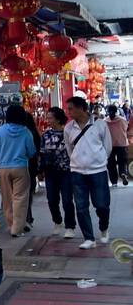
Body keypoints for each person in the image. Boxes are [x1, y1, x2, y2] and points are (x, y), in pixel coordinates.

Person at [65, 96, 114, 250]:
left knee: (101, 204)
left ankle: (104, 228)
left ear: (81, 108)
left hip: (98, 170)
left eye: (71, 108)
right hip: (77, 171)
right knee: (81, 206)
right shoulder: (68, 128)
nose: (69, 112)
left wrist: (99, 160)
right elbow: (69, 149)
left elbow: (108, 146)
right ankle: (89, 238)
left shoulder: (100, 124)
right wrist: (77, 161)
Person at [0, 105, 38, 237]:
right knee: (20, 198)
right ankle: (17, 228)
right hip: (21, 167)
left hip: (3, 168)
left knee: (7, 198)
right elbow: (32, 151)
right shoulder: (26, 132)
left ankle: (11, 225)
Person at [39, 107, 76, 238]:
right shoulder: (46, 135)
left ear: (58, 118)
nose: (48, 120)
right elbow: (42, 153)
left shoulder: (69, 133)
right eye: (47, 117)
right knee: (52, 199)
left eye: (50, 118)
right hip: (50, 172)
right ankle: (57, 221)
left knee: (67, 200)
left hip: (67, 171)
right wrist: (41, 170)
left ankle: (70, 226)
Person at [105, 105, 129, 187]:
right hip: (121, 143)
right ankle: (123, 173)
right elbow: (126, 129)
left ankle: (114, 182)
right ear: (116, 111)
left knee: (111, 164)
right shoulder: (122, 120)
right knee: (122, 161)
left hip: (109, 144)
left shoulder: (105, 121)